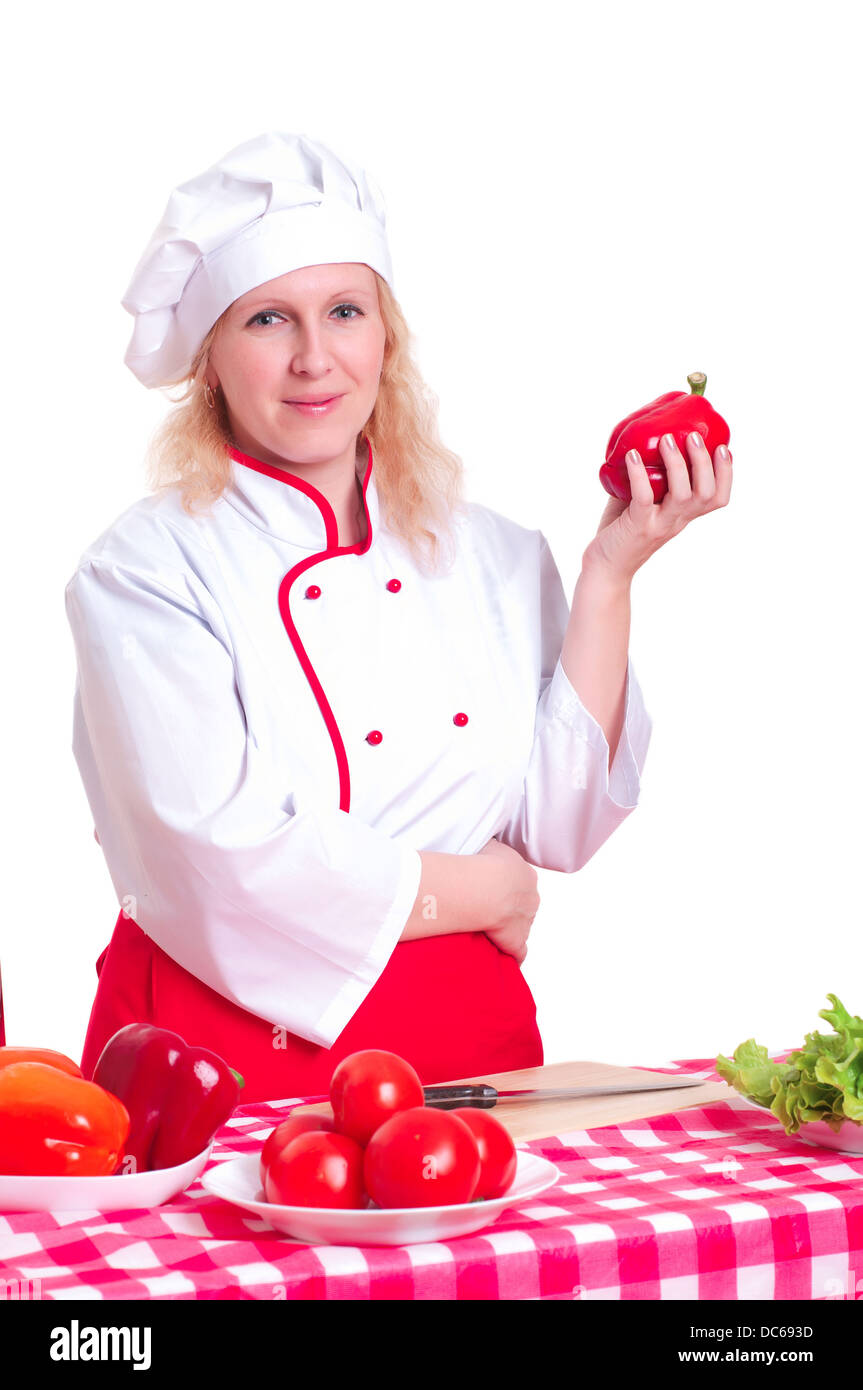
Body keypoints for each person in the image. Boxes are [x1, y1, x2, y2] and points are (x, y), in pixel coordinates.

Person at [66, 132, 729, 1104]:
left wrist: (606, 576)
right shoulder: (146, 571)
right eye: (265, 319)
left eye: (343, 311)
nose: (312, 358)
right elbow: (218, 861)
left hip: (472, 1049)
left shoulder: (490, 553)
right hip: (220, 1061)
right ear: (211, 357)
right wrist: (480, 891)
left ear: (386, 335)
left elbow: (561, 820)